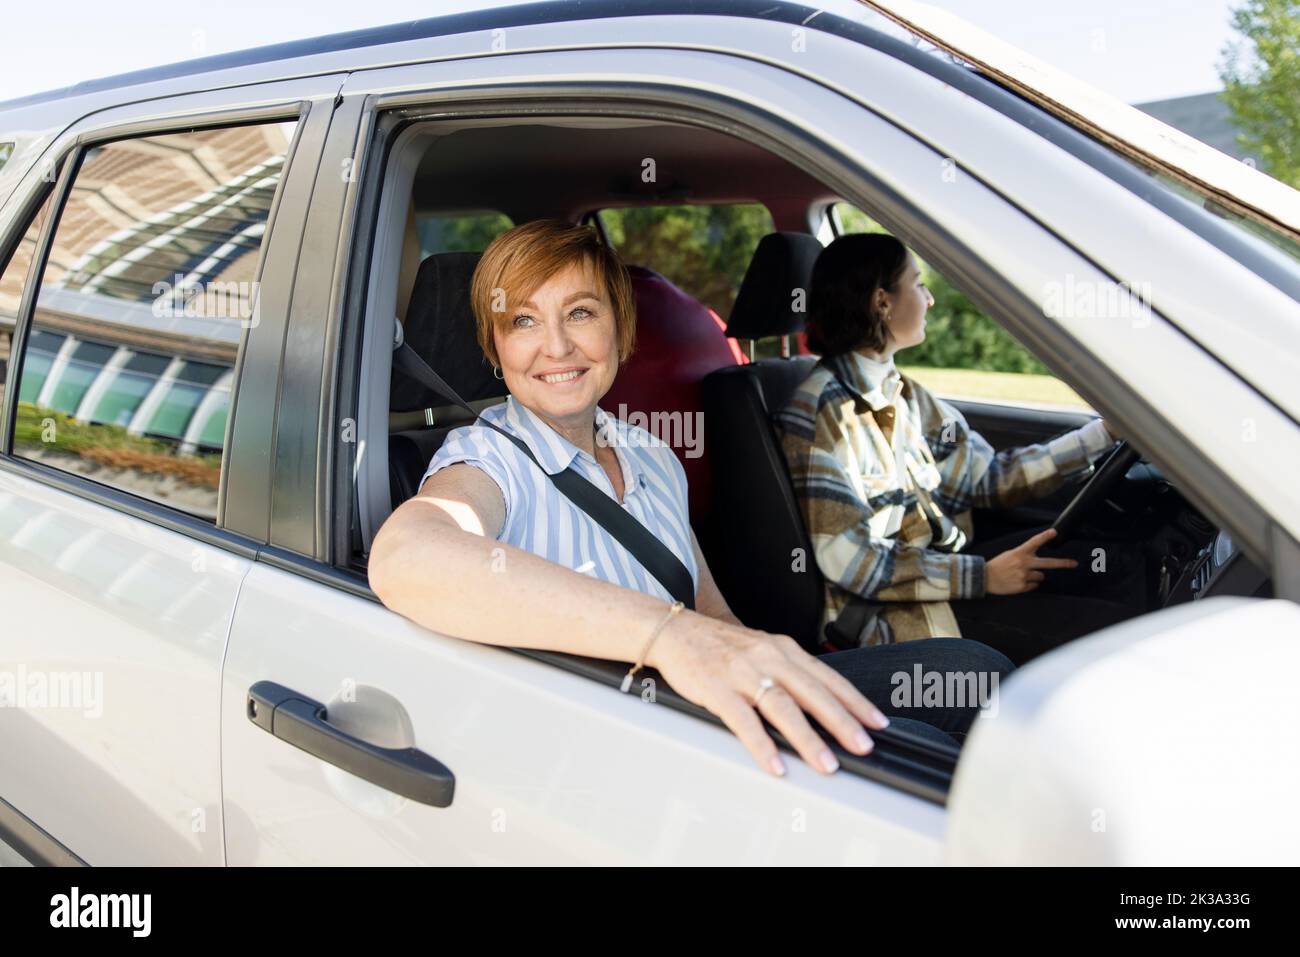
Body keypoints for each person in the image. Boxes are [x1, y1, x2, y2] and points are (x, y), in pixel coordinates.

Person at [369, 220, 1013, 778]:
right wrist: (667, 638)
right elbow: (408, 555)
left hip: (697, 704)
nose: (557, 346)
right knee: (919, 754)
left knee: (977, 671)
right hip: (619, 744)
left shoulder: (651, 451)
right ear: (494, 346)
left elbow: (710, 611)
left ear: (620, 328)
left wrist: (761, 662)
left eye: (582, 313)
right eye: (524, 321)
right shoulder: (487, 460)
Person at [774, 232, 1140, 663]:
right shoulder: (822, 415)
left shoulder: (906, 396)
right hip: (895, 616)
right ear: (882, 302)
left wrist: (1103, 434)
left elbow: (988, 479)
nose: (929, 300)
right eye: (918, 283)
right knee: (1115, 643)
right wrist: (983, 576)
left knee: (1114, 563)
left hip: (944, 569)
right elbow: (851, 559)